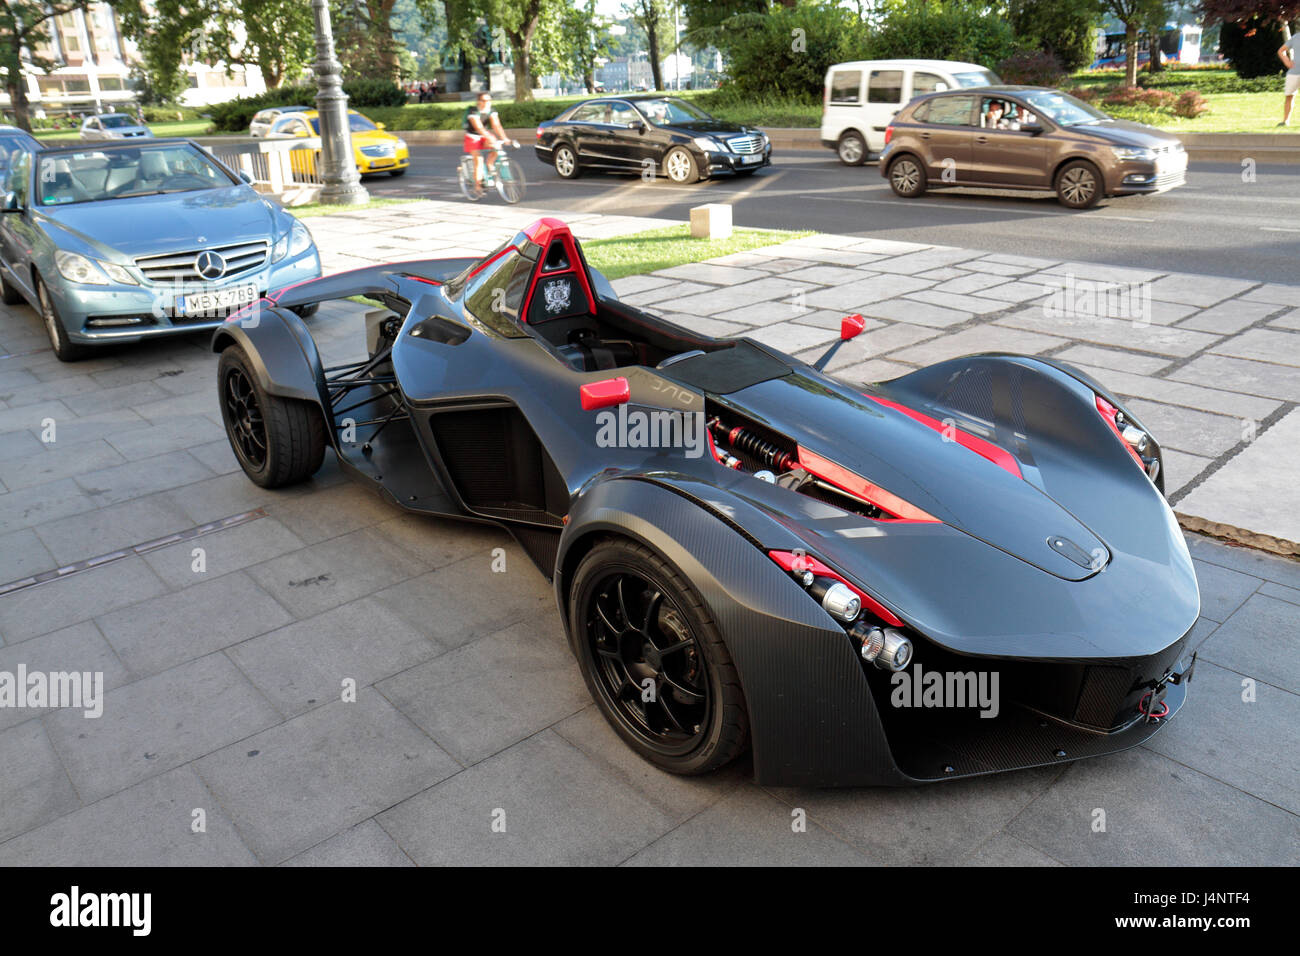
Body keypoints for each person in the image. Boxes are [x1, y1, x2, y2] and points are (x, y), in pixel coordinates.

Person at [463, 92, 516, 191]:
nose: (486, 102)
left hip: (484, 136)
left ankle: (490, 164)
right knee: (479, 160)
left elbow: (496, 125)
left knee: (497, 148)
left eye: (488, 100)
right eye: (483, 100)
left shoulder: (491, 111)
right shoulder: (473, 112)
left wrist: (504, 138)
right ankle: (478, 186)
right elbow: (479, 128)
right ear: (478, 101)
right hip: (472, 137)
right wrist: (489, 137)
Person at [1279, 32, 1299, 126]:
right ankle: (1285, 121)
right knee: (1289, 96)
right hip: (1293, 73)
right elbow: (1281, 51)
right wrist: (1287, 62)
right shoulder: (1296, 37)